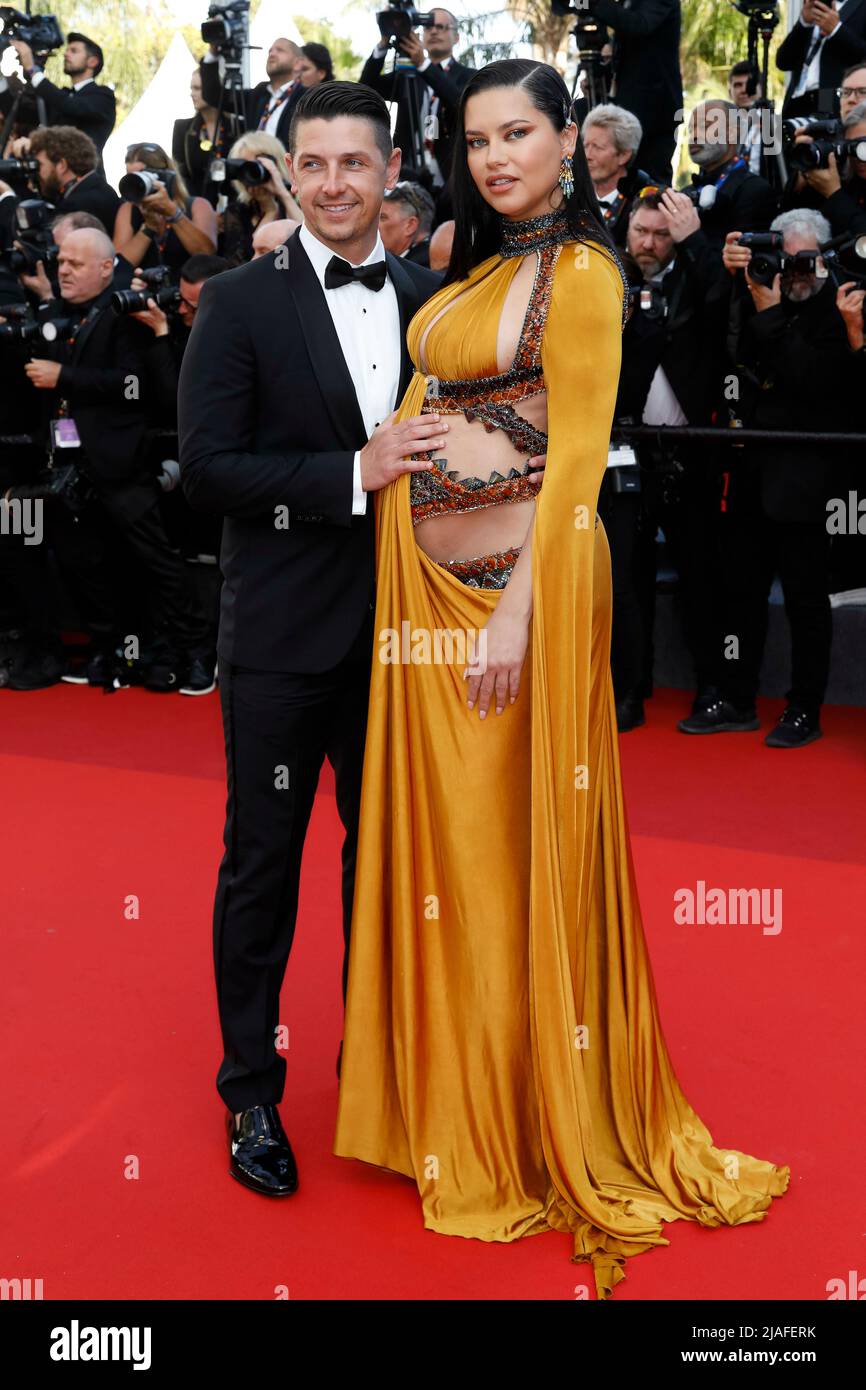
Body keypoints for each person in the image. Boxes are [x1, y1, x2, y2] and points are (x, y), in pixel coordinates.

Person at [332, 57, 789, 1301]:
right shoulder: (473, 268)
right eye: (477, 137)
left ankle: (537, 1108)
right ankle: (453, 1099)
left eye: (518, 133)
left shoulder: (581, 274)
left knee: (504, 851)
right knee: (446, 859)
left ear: (562, 143)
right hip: (419, 602)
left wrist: (517, 617)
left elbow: (576, 462)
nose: (494, 157)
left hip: (510, 607)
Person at [178, 80, 492, 1195]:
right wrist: (345, 477)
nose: (331, 184)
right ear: (287, 173)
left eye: (352, 164)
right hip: (277, 642)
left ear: (389, 167)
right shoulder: (237, 301)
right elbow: (206, 470)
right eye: (310, 166)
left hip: (407, 645)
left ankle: (379, 1072)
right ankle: (249, 1093)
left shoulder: (428, 299)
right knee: (262, 867)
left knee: (391, 865)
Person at [588, 0, 684, 181]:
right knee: (623, 181)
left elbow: (640, 24)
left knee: (650, 183)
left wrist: (595, 4)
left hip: (655, 111)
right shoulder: (626, 3)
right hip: (629, 106)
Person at [1, 31, 115, 154]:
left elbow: (70, 106)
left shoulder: (103, 96)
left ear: (92, 62)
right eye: (67, 50)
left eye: (74, 51)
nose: (66, 54)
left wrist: (32, 70)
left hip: (85, 173)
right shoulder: (60, 96)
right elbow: (22, 114)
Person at [114, 142, 218, 274]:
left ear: (164, 175)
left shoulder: (197, 206)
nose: (137, 184)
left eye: (142, 177)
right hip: (141, 288)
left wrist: (173, 213)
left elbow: (206, 255)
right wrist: (149, 227)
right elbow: (119, 266)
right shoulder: (128, 210)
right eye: (131, 177)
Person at [200, 36, 304, 146]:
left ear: (297, 63)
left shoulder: (306, 98)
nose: (272, 54)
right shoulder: (258, 94)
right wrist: (213, 52)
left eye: (280, 50)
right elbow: (213, 95)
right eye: (270, 51)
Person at [217, 131, 302, 265]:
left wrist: (283, 194)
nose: (250, 174)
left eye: (255, 166)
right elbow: (241, 264)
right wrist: (270, 211)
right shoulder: (237, 211)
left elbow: (312, 243)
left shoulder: (300, 202)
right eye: (245, 167)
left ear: (276, 164)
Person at [777, 0, 866, 119]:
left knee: (825, 134)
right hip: (796, 101)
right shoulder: (815, 6)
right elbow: (783, 62)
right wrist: (804, 23)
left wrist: (837, 30)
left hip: (829, 99)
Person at [172, 67, 238, 203]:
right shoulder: (182, 128)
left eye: (197, 88)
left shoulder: (236, 126)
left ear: (214, 90)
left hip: (234, 209)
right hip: (196, 207)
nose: (192, 94)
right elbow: (181, 176)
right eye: (191, 88)